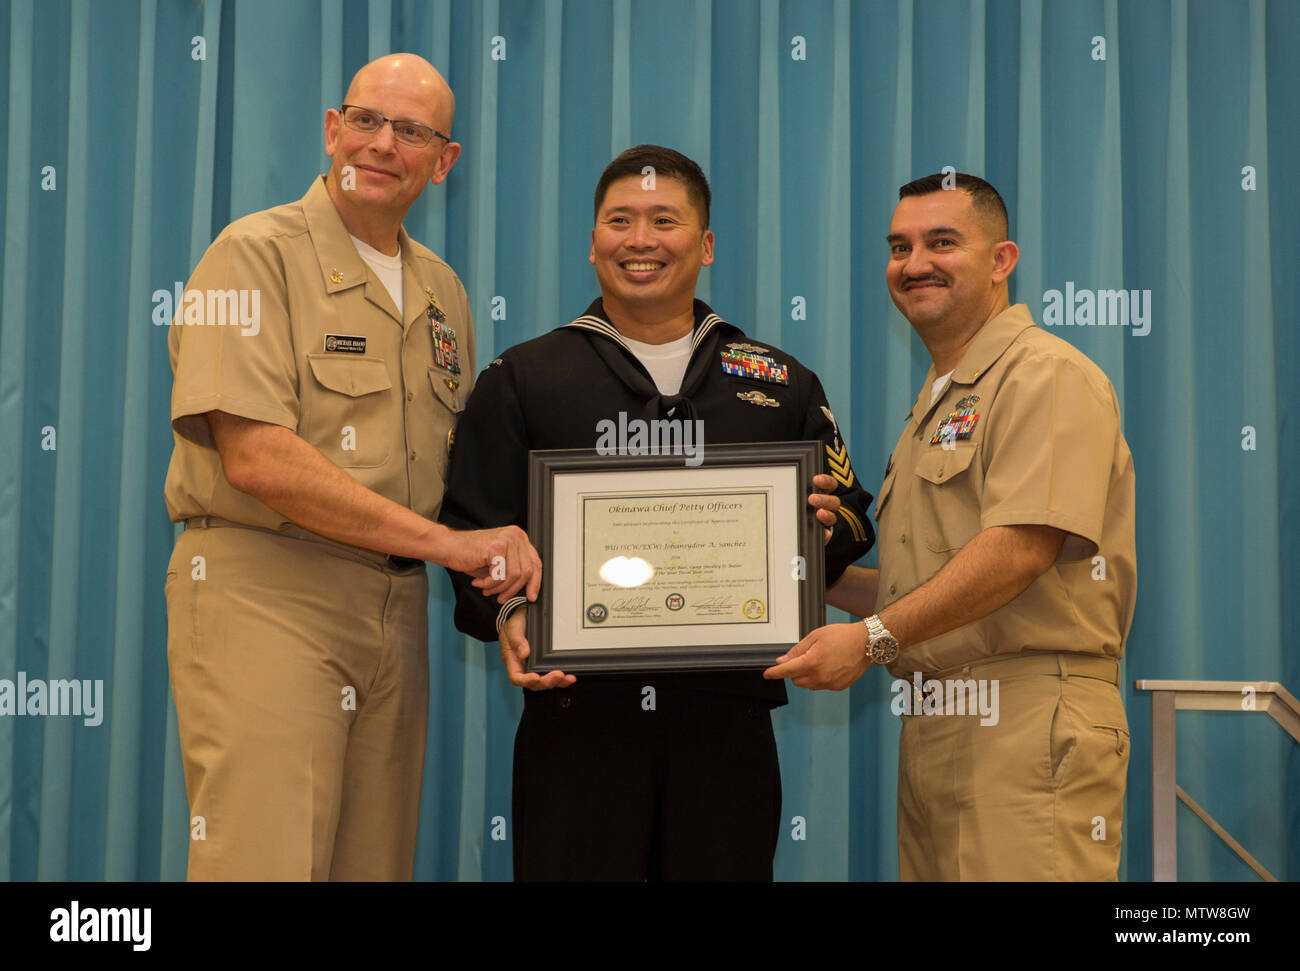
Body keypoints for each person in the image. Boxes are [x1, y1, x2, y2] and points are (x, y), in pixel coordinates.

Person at [438, 145, 875, 881]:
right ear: (592, 242)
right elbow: (471, 530)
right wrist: (514, 611)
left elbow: (855, 519)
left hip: (726, 725)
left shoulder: (775, 379)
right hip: (576, 723)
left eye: (664, 220)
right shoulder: (523, 377)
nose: (640, 239)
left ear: (704, 245)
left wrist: (822, 526)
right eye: (620, 220)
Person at [163, 53, 541, 881]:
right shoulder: (253, 254)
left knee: (371, 865)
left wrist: (511, 593)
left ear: (443, 162)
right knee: (264, 860)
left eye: (410, 130)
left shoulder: (442, 291)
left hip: (396, 608)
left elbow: (460, 485)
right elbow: (259, 458)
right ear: (332, 130)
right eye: (365, 120)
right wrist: (451, 547)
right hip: (268, 586)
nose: (379, 143)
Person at [765, 173, 1136, 881]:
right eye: (899, 246)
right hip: (938, 721)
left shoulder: (1044, 375)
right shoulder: (939, 402)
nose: (915, 263)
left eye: (942, 242)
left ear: (1002, 261)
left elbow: (1021, 549)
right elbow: (924, 588)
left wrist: (870, 640)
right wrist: (801, 571)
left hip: (1027, 719)